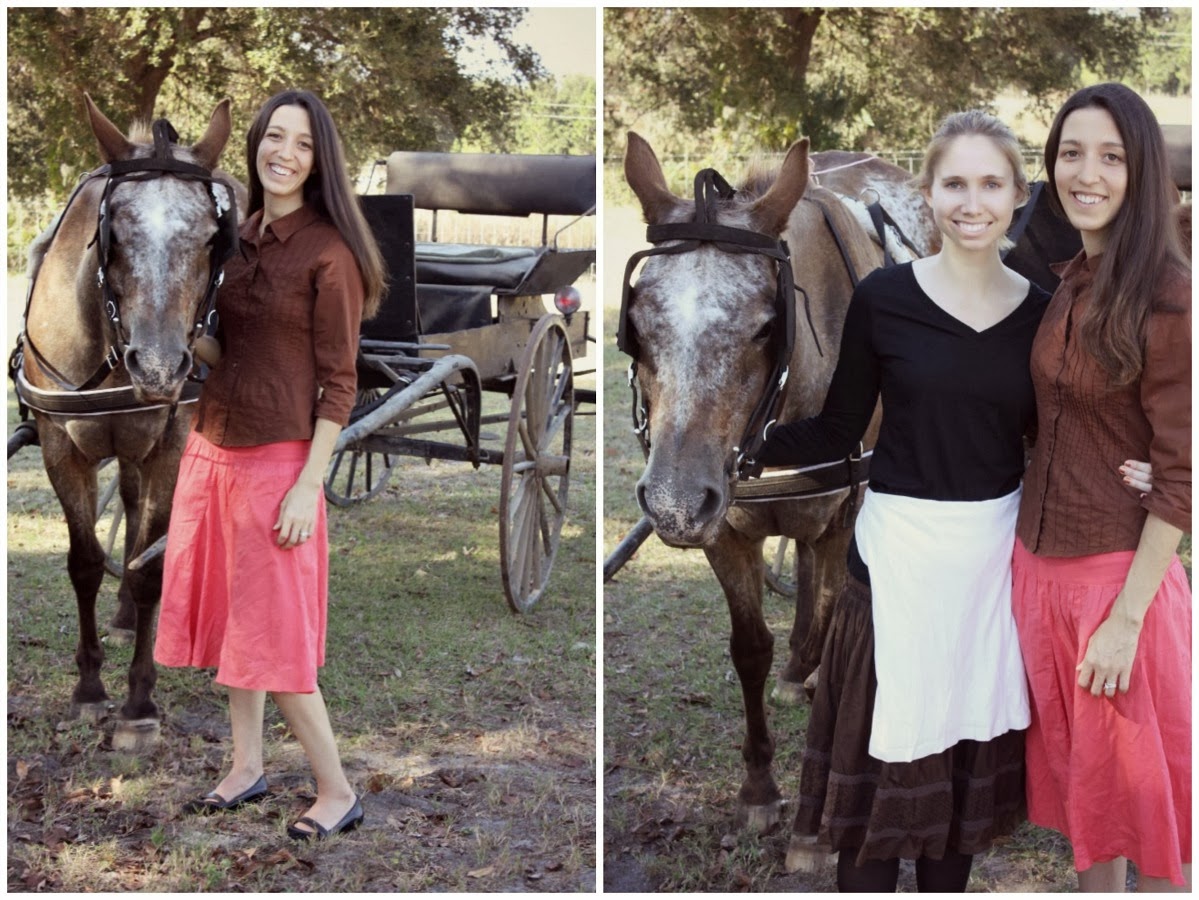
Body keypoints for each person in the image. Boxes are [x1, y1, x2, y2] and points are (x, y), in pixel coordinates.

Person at [759, 110, 1151, 892]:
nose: (971, 202)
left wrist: (1137, 466)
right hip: (894, 563)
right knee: (867, 818)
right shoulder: (884, 298)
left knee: (956, 808)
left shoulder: (1045, 313)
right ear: (928, 194)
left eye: (990, 184)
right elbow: (840, 427)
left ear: (1016, 197)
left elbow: (1066, 429)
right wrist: (736, 446)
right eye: (954, 184)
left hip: (989, 569)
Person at [154, 89, 386, 841]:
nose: (282, 153)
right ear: (254, 144)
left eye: (302, 144)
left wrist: (306, 485)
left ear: (320, 162)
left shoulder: (330, 252)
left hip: (278, 463)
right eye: (272, 137)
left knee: (276, 640)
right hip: (212, 450)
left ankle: (337, 789)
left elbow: (339, 383)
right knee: (236, 627)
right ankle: (246, 766)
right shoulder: (239, 236)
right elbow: (235, 350)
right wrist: (184, 340)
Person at [1010, 83, 1191, 892]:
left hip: (1117, 589)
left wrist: (1123, 621)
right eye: (1071, 152)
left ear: (1141, 171)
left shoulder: (1165, 292)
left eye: (1110, 157)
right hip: (1042, 575)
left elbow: (1181, 476)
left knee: (1148, 821)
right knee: (1094, 816)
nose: (1086, 173)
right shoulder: (1073, 278)